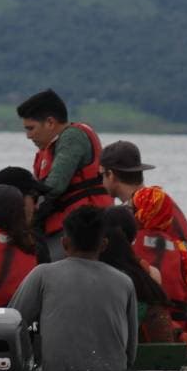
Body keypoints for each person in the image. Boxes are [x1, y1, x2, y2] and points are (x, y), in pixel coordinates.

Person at [6, 206, 137, 371]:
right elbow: (130, 354)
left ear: (64, 243)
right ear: (104, 245)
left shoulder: (43, 275)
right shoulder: (125, 283)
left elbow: (11, 326)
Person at [99, 140, 187, 302]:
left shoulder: (133, 213)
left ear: (111, 175)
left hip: (152, 296)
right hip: (180, 290)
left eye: (102, 175)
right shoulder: (162, 202)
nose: (101, 181)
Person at [16, 89, 113, 260]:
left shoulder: (73, 137)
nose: (28, 136)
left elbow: (54, 186)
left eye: (31, 128)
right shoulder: (48, 149)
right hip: (62, 228)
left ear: (50, 122)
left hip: (84, 229)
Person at [102, 206, 187, 349]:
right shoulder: (177, 252)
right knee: (186, 341)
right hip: (153, 339)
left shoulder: (89, 271)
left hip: (104, 349)